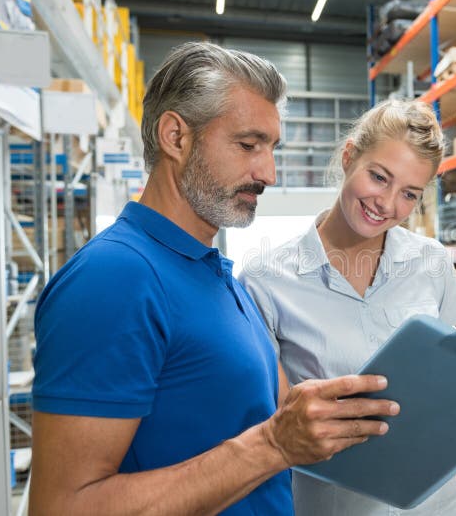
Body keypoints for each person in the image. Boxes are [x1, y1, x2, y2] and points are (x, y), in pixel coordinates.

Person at [29, 41, 399, 516]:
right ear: (175, 137)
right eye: (248, 145)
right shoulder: (114, 278)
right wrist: (273, 444)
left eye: (271, 148)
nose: (268, 172)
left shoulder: (218, 276)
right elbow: (62, 507)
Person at [239, 99, 456, 516]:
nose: (386, 204)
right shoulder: (266, 280)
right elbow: (270, 425)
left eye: (409, 194)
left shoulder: (431, 262)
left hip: (434, 504)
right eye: (379, 177)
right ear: (349, 157)